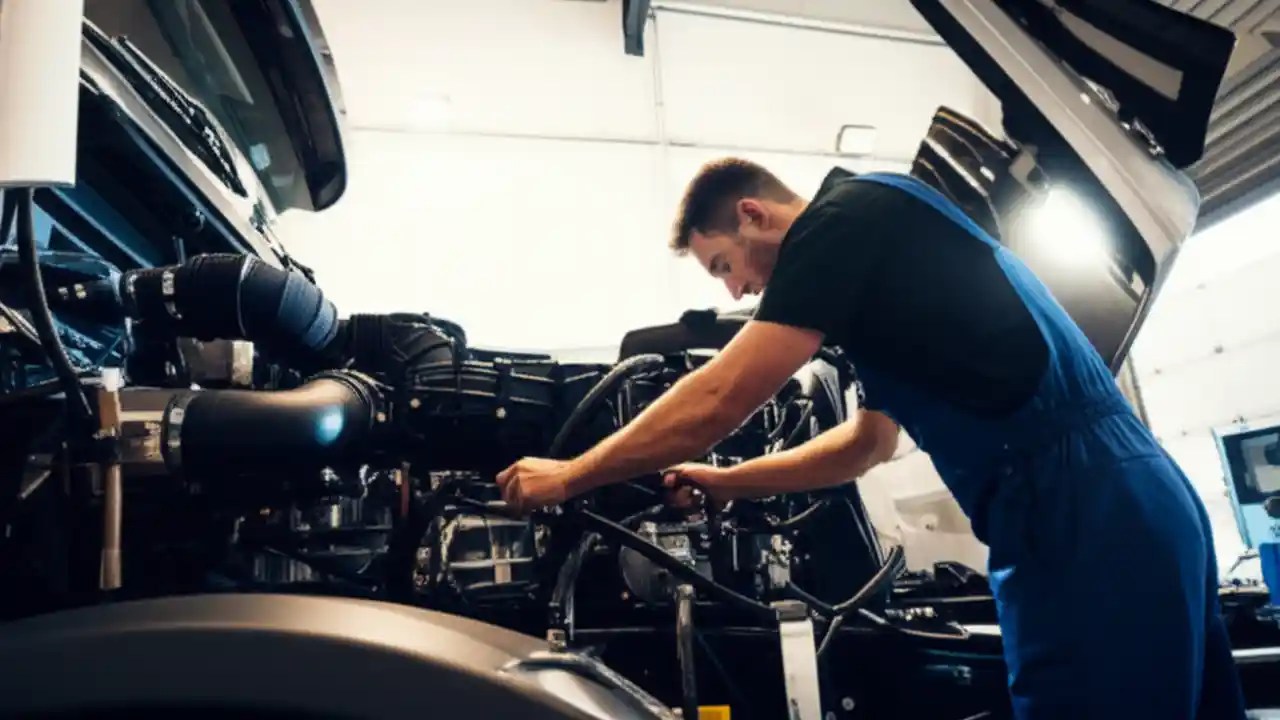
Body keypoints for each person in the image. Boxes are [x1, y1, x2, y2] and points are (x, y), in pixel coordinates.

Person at [495, 158, 1246, 718]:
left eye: (723, 265)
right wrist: (726, 480)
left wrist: (570, 475)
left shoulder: (839, 222)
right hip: (1133, 497)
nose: (735, 291)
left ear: (753, 213)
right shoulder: (881, 248)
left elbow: (723, 395)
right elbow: (864, 447)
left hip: (1078, 507)